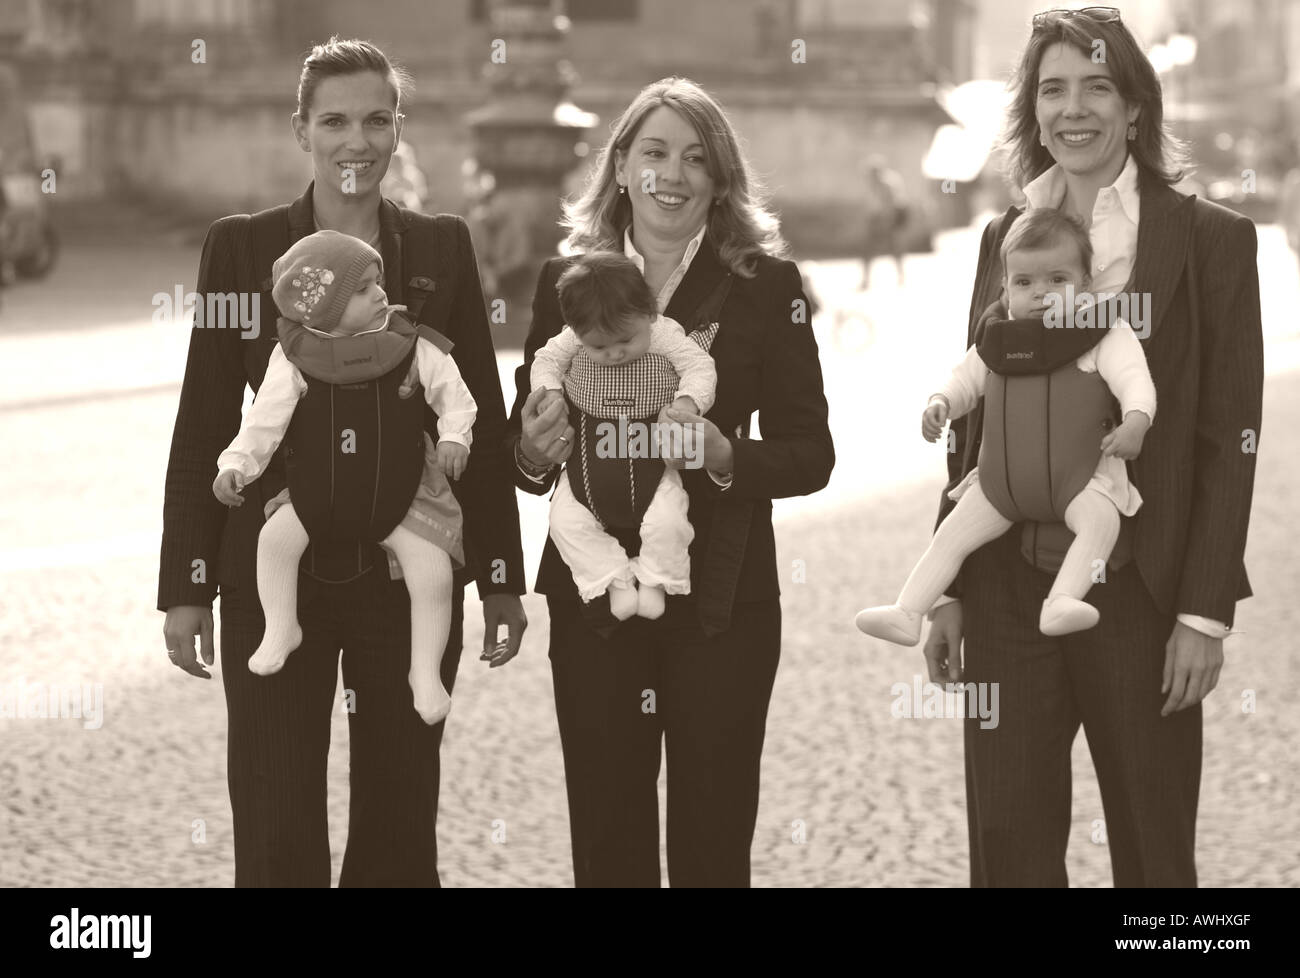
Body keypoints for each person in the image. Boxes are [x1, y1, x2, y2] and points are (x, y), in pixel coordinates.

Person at [158, 37, 527, 887]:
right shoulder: (240, 249)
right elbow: (204, 422)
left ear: (398, 129)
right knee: (276, 821)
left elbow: (481, 415)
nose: (355, 141)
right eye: (334, 121)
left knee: (399, 830)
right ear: (301, 131)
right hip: (271, 568)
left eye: (375, 119)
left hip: (407, 570)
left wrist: (501, 572)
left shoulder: (441, 247)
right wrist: (186, 583)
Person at [923, 7, 1263, 886]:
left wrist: (1203, 614)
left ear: (1135, 107)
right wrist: (949, 584)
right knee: (1009, 854)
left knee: (1154, 859)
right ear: (1033, 111)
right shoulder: (1005, 238)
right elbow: (975, 419)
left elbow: (1230, 438)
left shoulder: (1214, 241)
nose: (1074, 110)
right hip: (1003, 588)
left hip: (1142, 594)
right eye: (1053, 90)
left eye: (1097, 87)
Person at [508, 77, 834, 887]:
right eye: (653, 152)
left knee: (712, 839)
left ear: (721, 181)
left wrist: (726, 457)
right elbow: (525, 443)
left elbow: (811, 452)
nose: (673, 174)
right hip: (592, 600)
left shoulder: (767, 286)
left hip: (723, 600)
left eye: (696, 159)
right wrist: (533, 451)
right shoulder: (563, 280)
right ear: (620, 166)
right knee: (608, 832)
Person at [855, 208, 1156, 643]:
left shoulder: (1101, 332)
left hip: (1079, 482)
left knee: (1101, 523)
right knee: (951, 535)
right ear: (1005, 287)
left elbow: (1134, 379)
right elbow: (964, 380)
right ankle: (908, 610)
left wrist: (1137, 421)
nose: (1042, 294)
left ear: (1086, 283)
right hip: (999, 488)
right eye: (1025, 282)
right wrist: (941, 402)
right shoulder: (999, 338)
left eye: (1058, 279)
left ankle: (1062, 601)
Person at [213, 231, 476, 725]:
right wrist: (236, 464)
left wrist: (454, 437)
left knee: (433, 572)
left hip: (403, 491)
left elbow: (455, 395)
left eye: (378, 281)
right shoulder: (293, 356)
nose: (380, 292)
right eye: (362, 289)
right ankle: (281, 627)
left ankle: (424, 670)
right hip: (320, 490)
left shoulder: (411, 344)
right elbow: (264, 420)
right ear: (323, 309)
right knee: (273, 539)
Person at [530, 251, 717, 621]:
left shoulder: (663, 332)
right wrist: (550, 391)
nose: (614, 354)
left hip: (649, 452)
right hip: (587, 455)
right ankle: (612, 578)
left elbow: (698, 364)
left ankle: (655, 578)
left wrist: (687, 402)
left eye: (626, 341)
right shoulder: (570, 337)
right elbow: (545, 360)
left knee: (669, 519)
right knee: (564, 522)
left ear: (648, 314)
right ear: (576, 330)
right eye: (598, 347)